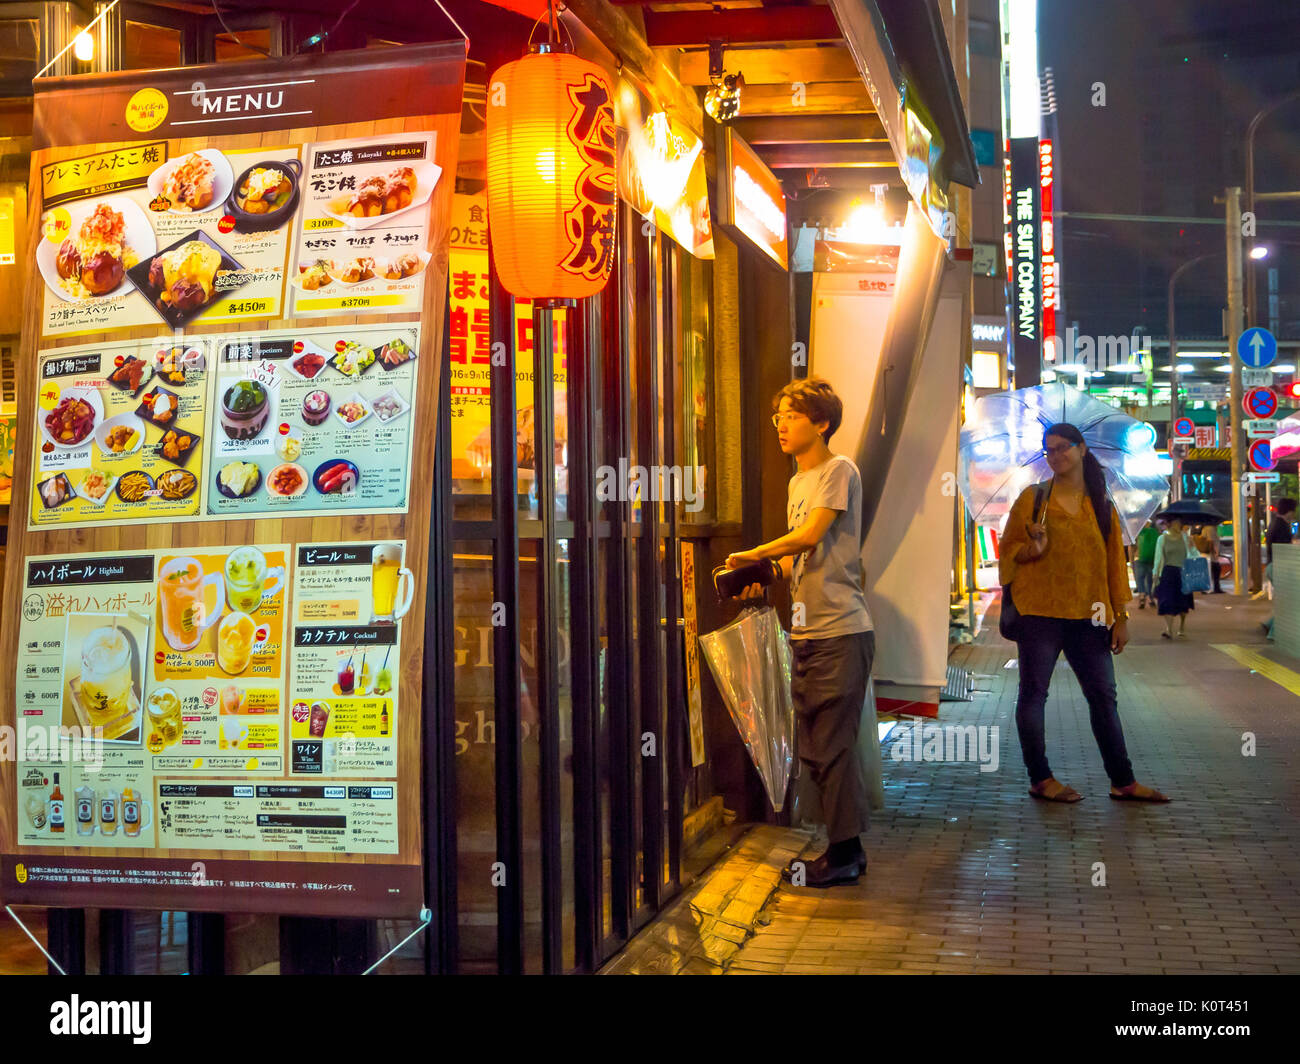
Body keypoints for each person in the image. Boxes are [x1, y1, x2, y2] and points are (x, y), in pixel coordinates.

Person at [726, 377, 875, 886]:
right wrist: (762, 576)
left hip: (839, 630)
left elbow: (810, 535)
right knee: (815, 749)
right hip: (807, 633)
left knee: (831, 746)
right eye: (778, 417)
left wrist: (755, 552)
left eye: (792, 415)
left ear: (822, 423)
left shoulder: (838, 470)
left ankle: (846, 853)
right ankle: (844, 847)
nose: (781, 426)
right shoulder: (796, 483)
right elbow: (798, 563)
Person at [998, 422, 1169, 803]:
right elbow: (1007, 554)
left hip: (1090, 614)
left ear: (1082, 449)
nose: (1055, 456)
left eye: (1062, 448)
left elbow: (1112, 565)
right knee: (1033, 694)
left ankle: (1122, 782)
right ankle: (1040, 779)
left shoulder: (1100, 503)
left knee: (1104, 696)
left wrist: (1120, 617)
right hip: (1038, 612)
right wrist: (1033, 549)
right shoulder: (1033, 499)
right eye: (1049, 450)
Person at [1153, 516, 1197, 639]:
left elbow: (1195, 555)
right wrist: (1155, 573)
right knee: (1167, 601)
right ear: (1170, 523)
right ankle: (1169, 629)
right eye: (1177, 522)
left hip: (1183, 572)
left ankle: (1182, 626)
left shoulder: (1185, 538)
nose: (1180, 525)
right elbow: (1158, 557)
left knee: (1183, 602)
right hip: (1168, 572)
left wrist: (1192, 546)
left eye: (1180, 522)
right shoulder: (1162, 538)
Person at [1262, 498, 1296, 640]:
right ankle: (1273, 633)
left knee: (1286, 598)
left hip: (1272, 566)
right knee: (1288, 600)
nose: (1293, 514)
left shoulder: (1274, 523)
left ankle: (1270, 624)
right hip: (1278, 566)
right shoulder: (1282, 526)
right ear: (1288, 511)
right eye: (1293, 511)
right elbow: (1284, 550)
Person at [1133, 519, 1160, 608]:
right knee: (1149, 579)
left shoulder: (1138, 532)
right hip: (1151, 559)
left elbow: (1133, 546)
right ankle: (1151, 598)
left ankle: (1142, 595)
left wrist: (1131, 558)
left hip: (1139, 558)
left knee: (1140, 578)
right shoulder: (1155, 532)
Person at [1195, 521, 1223, 593]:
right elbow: (1211, 541)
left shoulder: (1207, 528)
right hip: (1210, 554)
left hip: (1209, 554)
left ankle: (1213, 588)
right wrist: (1216, 551)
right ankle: (1214, 588)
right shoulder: (1210, 528)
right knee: (1215, 569)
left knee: (1211, 570)